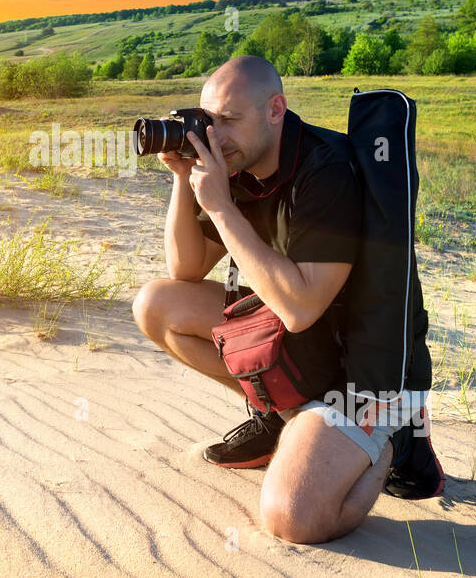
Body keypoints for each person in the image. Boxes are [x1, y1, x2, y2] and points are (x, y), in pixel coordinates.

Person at [131, 55, 439, 545]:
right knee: (157, 305)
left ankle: (390, 444)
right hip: (301, 354)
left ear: (276, 109)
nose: (217, 135)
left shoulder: (328, 172)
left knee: (291, 518)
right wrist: (182, 180)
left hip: (357, 372)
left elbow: (300, 309)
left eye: (231, 120)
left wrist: (219, 206)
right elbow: (185, 271)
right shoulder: (237, 163)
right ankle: (282, 418)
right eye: (210, 120)